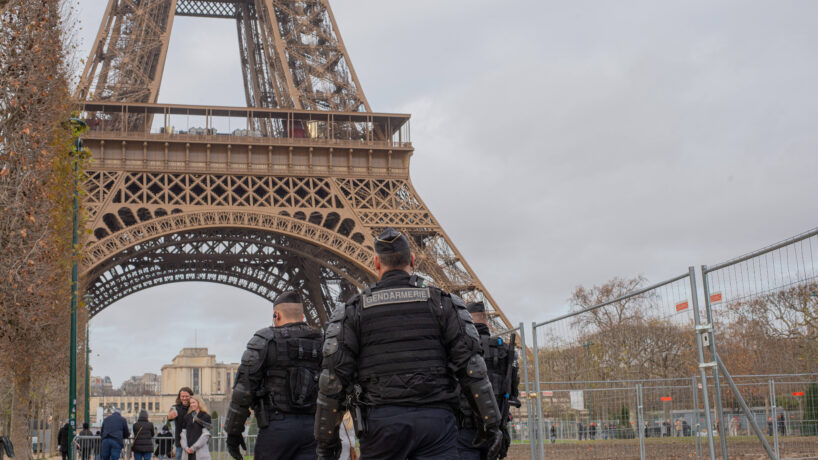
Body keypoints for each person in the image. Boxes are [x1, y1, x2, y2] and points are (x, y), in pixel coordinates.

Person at [314, 228, 504, 460]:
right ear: (412, 260)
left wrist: (326, 440)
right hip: (436, 422)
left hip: (382, 423)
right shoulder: (443, 303)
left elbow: (333, 380)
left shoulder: (354, 310)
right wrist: (491, 425)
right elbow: (472, 368)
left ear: (376, 262)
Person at [225, 290, 323, 460]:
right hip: (312, 427)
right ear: (302, 317)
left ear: (276, 315)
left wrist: (233, 432)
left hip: (277, 426)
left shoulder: (264, 340)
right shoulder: (321, 341)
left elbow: (243, 391)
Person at [456, 301, 520, 460]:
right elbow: (512, 389)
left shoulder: (458, 349)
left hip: (466, 427)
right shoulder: (505, 351)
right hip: (496, 427)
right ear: (486, 323)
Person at [169, 387, 194, 460]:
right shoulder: (175, 408)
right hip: (179, 442)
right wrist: (170, 416)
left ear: (191, 396)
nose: (184, 398)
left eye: (186, 396)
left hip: (192, 441)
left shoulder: (194, 407)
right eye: (182, 396)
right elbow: (170, 418)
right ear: (179, 397)